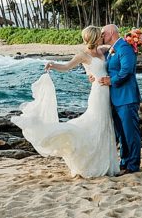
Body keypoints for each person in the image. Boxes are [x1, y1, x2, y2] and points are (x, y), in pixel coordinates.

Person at [11, 25, 120, 177]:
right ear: (95, 36)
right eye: (100, 34)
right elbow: (66, 66)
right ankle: (90, 162)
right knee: (97, 122)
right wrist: (53, 65)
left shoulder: (102, 51)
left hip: (107, 90)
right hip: (97, 92)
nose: (103, 35)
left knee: (106, 124)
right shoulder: (83, 55)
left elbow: (116, 45)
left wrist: (134, 40)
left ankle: (105, 162)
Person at [95, 24, 142, 174]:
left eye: (103, 33)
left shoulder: (125, 47)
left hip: (127, 97)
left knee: (130, 133)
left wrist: (111, 80)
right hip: (115, 98)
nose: (101, 36)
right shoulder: (112, 49)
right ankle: (124, 162)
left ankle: (133, 166)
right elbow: (107, 68)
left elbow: (126, 71)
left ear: (111, 33)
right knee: (121, 134)